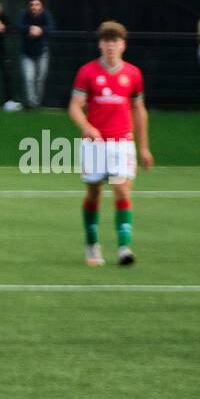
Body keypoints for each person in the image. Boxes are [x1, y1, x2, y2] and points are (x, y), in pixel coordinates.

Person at [68, 21, 153, 268]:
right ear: (100, 44)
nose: (110, 46)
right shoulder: (87, 72)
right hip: (94, 144)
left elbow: (139, 109)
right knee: (94, 192)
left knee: (122, 190)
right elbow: (74, 106)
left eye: (115, 41)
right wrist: (86, 127)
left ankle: (124, 247)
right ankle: (92, 242)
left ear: (123, 45)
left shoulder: (133, 74)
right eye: (106, 41)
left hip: (122, 143)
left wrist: (144, 146)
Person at [17, 0, 54, 109]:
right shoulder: (24, 14)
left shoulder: (46, 14)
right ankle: (31, 104)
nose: (34, 7)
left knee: (40, 79)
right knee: (29, 78)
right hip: (27, 54)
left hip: (42, 53)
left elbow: (51, 27)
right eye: (32, 5)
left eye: (37, 4)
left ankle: (37, 103)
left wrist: (40, 30)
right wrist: (30, 28)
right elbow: (18, 26)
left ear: (41, 7)